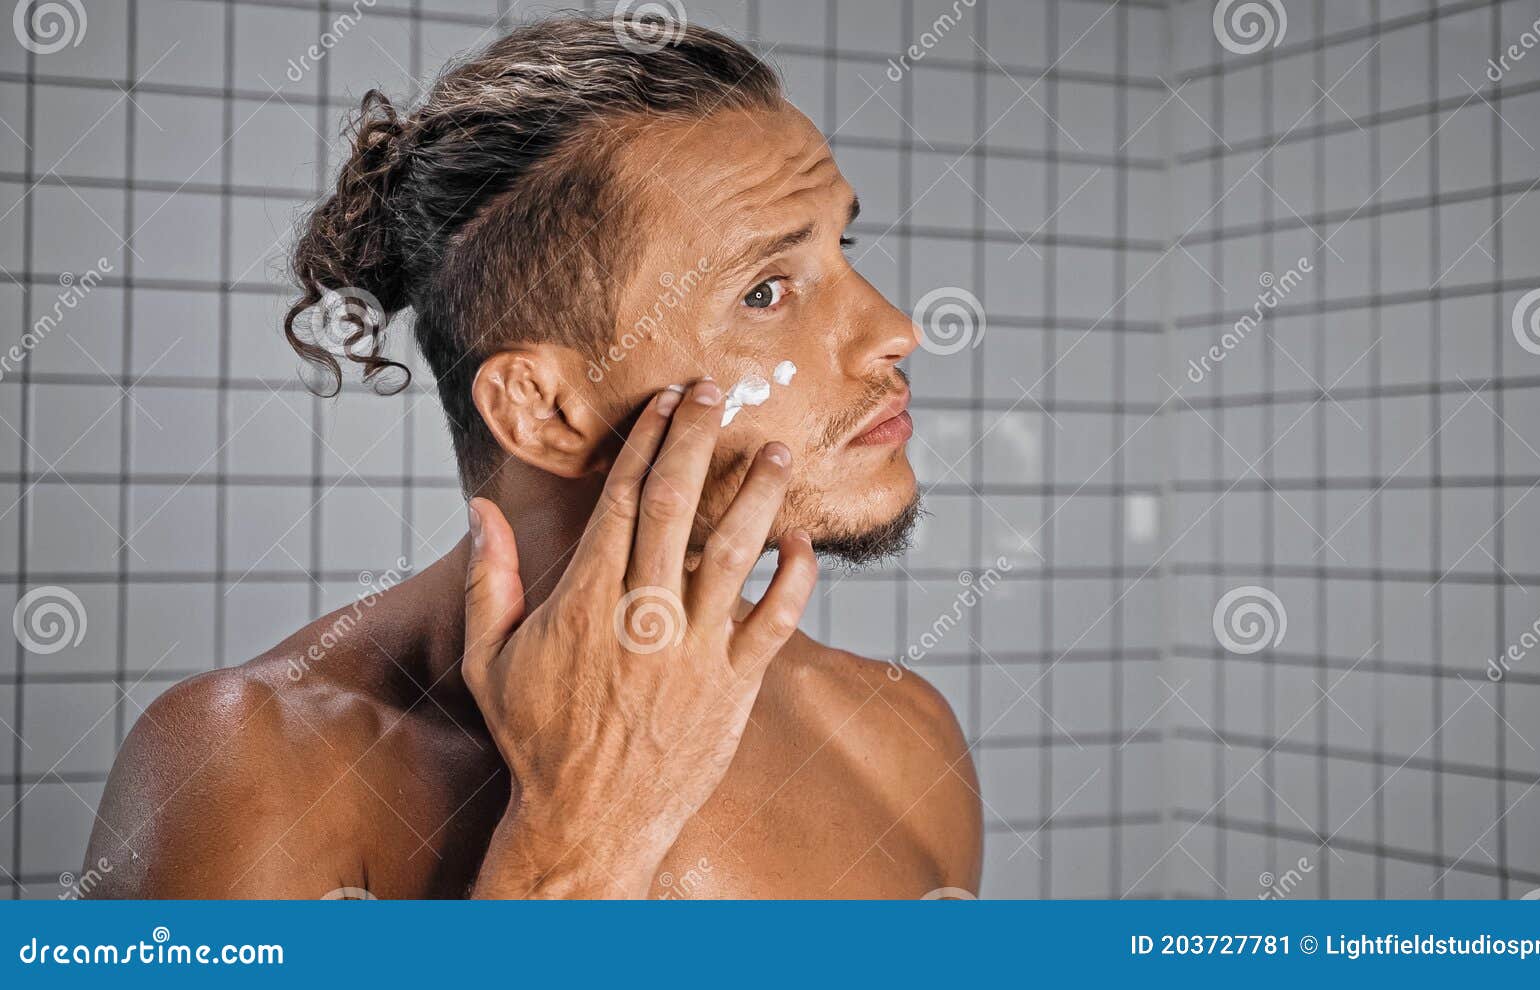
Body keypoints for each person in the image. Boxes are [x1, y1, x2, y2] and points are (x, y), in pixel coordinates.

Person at [83, 15, 980, 898]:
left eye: (841, 246)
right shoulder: (256, 773)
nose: (896, 329)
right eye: (765, 291)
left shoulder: (901, 741)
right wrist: (582, 837)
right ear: (544, 410)